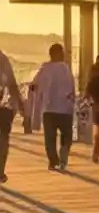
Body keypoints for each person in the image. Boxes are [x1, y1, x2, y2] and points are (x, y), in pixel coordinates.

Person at [31, 43, 77, 171]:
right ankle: (62, 155)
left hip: (49, 108)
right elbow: (72, 88)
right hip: (65, 109)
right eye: (61, 52)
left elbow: (34, 85)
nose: (63, 55)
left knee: (50, 139)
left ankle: (53, 161)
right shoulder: (66, 69)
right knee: (66, 136)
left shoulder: (44, 69)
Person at [0, 48, 27, 184]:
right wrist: (21, 106)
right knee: (3, 138)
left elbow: (11, 85)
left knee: (3, 137)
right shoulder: (3, 59)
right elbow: (12, 84)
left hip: (3, 106)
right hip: (3, 106)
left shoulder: (3, 59)